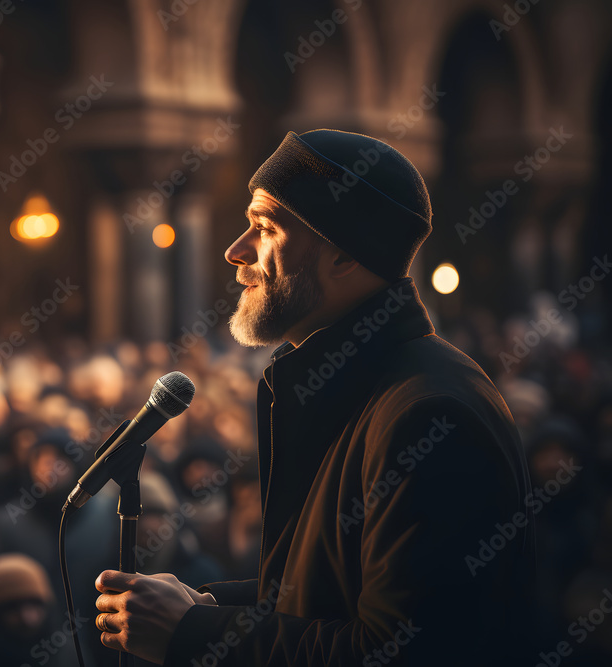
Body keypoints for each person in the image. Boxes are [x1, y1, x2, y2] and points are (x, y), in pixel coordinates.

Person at [92, 129, 536, 665]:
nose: (236, 252)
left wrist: (196, 632)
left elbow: (399, 651)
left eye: (265, 227)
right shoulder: (351, 386)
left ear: (343, 256)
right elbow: (322, 588)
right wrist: (206, 603)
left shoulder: (429, 416)